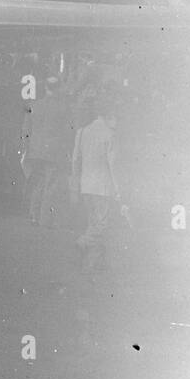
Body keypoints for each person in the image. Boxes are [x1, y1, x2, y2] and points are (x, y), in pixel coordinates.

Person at [74, 106, 121, 273]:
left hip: (86, 186)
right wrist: (118, 189)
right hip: (103, 187)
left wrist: (75, 183)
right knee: (101, 226)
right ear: (110, 116)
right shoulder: (110, 135)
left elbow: (75, 160)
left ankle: (93, 264)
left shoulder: (82, 132)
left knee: (92, 222)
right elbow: (113, 165)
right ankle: (82, 242)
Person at [23, 76, 73, 227]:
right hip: (54, 152)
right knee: (50, 185)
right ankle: (45, 219)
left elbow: (25, 129)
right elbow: (68, 132)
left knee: (38, 182)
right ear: (57, 89)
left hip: (35, 151)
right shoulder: (63, 108)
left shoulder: (34, 105)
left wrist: (27, 149)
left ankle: (33, 215)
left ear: (45, 88)